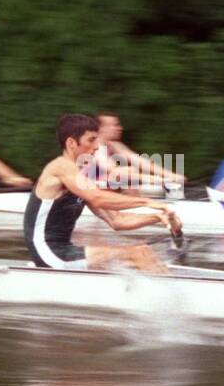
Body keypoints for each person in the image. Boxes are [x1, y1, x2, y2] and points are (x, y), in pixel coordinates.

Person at [24, 113, 180, 272]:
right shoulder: (60, 166)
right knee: (137, 252)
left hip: (65, 250)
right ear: (71, 143)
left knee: (142, 252)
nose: (97, 146)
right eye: (91, 140)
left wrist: (159, 217)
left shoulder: (81, 178)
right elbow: (97, 198)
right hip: (48, 253)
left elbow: (117, 221)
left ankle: (167, 287)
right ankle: (171, 293)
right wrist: (148, 202)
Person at [81, 111, 187, 189]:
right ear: (101, 129)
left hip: (103, 187)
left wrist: (170, 175)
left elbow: (141, 162)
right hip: (86, 189)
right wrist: (158, 180)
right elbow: (115, 172)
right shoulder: (96, 147)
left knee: (131, 175)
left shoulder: (115, 145)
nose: (119, 128)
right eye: (114, 125)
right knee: (127, 175)